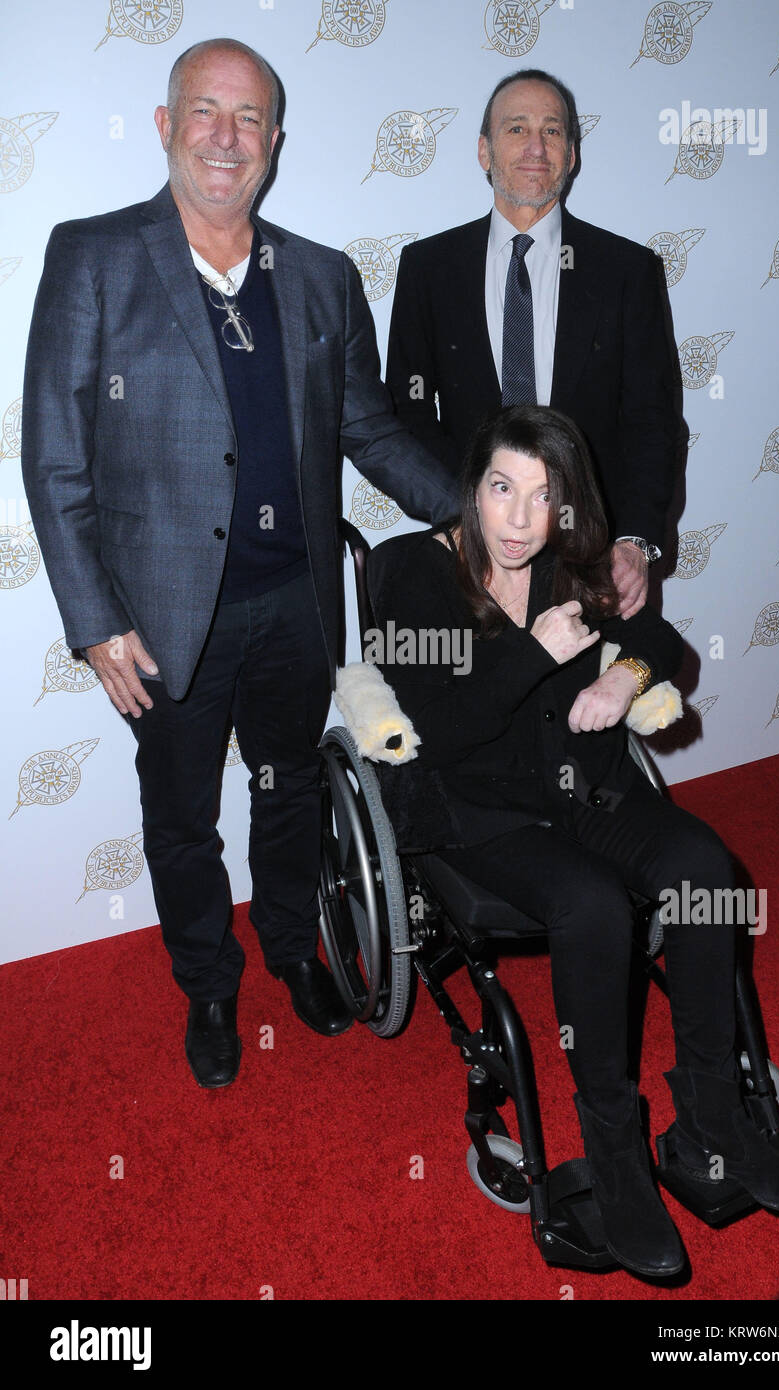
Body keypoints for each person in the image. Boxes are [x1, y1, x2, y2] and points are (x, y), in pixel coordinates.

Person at [21, 38, 457, 1089]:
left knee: (288, 786)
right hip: (162, 617)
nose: (226, 137)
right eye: (205, 112)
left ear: (274, 139)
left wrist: (473, 516)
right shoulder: (93, 256)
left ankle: (295, 950)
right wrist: (93, 618)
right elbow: (53, 454)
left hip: (295, 602)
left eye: (249, 117)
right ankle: (208, 984)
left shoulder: (320, 275)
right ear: (166, 126)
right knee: (181, 817)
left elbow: (368, 425)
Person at [367, 405, 779, 1278]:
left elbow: (655, 637)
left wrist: (625, 676)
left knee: (704, 868)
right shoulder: (409, 574)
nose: (517, 518)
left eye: (542, 496)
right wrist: (534, 653)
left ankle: (715, 1122)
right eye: (501, 488)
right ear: (471, 488)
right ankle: (615, 1154)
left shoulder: (573, 563)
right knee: (593, 905)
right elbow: (440, 729)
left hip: (588, 786)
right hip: (481, 811)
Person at [386, 68, 683, 620]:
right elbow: (408, 411)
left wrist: (635, 542)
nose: (536, 147)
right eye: (517, 128)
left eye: (552, 131)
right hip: (468, 557)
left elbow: (653, 420)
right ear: (484, 150)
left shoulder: (627, 271)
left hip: (593, 556)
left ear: (571, 155)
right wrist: (466, 514)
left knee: (614, 680)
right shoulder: (429, 268)